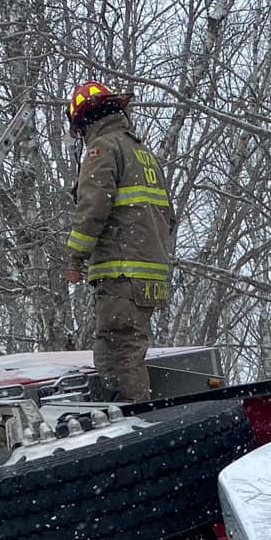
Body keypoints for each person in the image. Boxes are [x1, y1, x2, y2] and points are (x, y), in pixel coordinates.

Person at [64, 79, 176, 403]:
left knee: (116, 353)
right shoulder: (144, 155)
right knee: (132, 349)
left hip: (121, 274)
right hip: (149, 277)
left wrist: (75, 258)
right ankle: (137, 416)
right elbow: (169, 216)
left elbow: (92, 208)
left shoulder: (103, 149)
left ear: (86, 122)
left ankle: (129, 425)